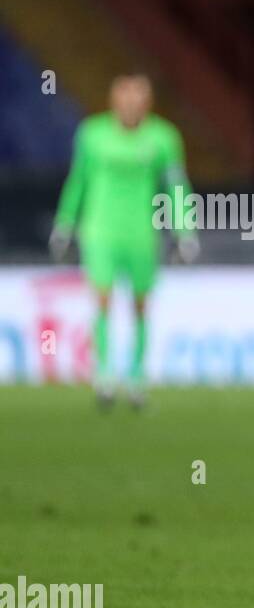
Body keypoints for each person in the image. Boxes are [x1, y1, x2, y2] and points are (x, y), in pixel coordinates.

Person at [51, 74, 197, 407]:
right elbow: (79, 180)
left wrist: (185, 230)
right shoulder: (93, 135)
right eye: (125, 100)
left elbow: (176, 187)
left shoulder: (163, 138)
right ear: (114, 102)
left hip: (142, 235)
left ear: (147, 104)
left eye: (138, 100)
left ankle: (135, 378)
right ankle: (104, 375)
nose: (131, 107)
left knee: (140, 305)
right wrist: (65, 224)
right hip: (100, 232)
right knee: (102, 300)